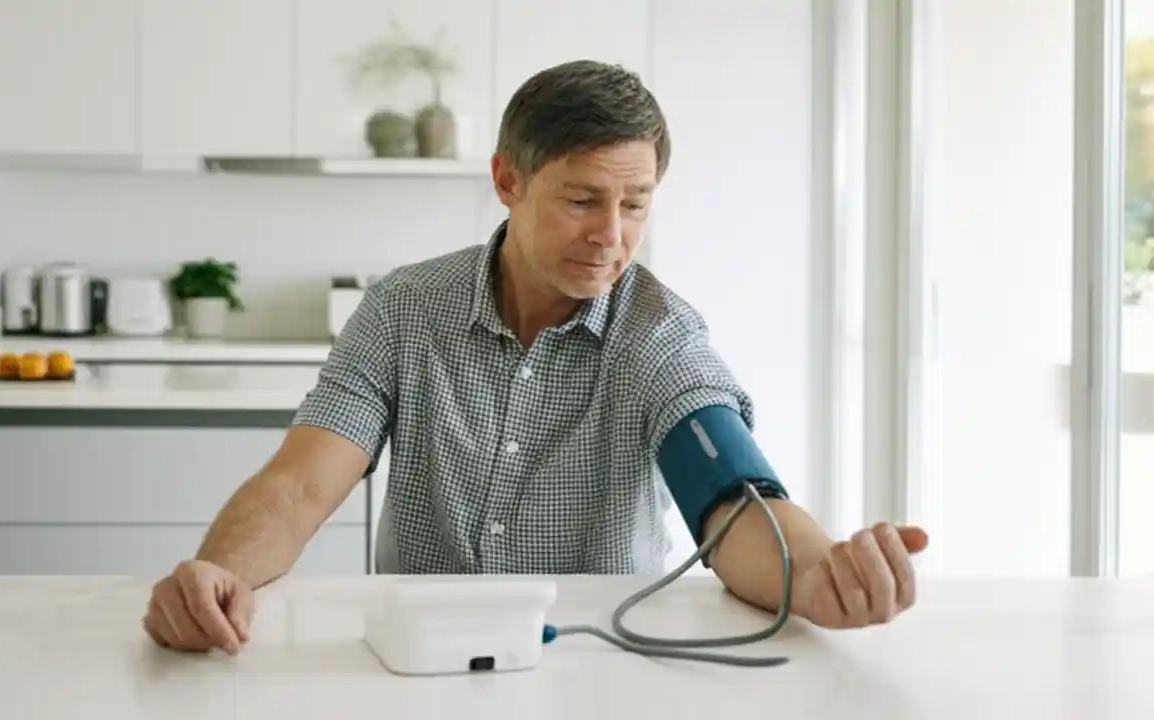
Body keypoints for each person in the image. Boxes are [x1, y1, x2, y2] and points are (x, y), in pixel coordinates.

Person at [142, 60, 930, 655]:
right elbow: (298, 487)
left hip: (599, 674)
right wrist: (222, 575)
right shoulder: (403, 312)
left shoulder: (660, 335)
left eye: (636, 204)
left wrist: (820, 573)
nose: (611, 234)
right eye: (583, 199)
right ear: (507, 181)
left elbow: (733, 500)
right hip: (421, 667)